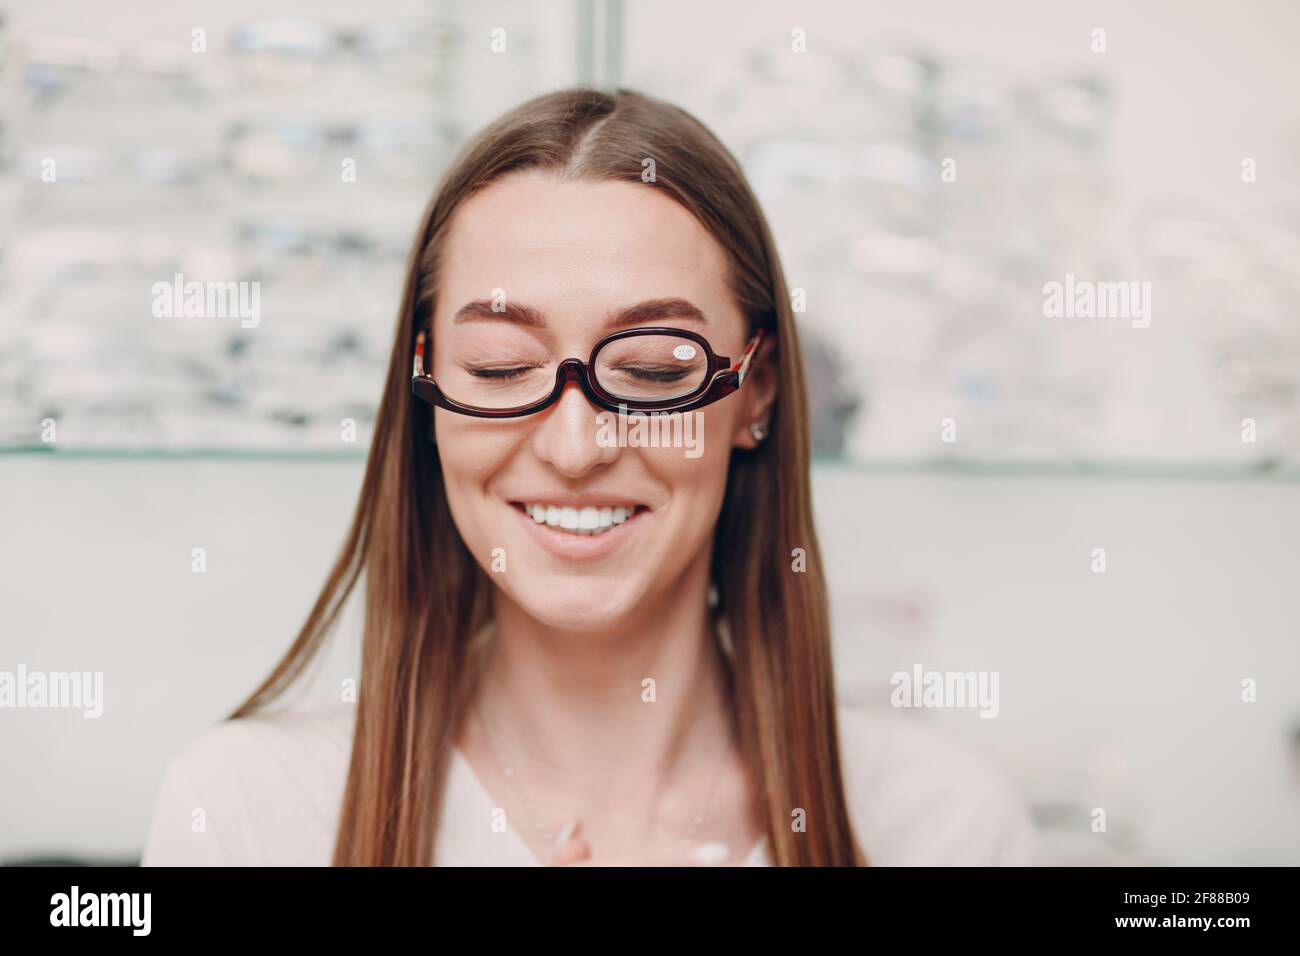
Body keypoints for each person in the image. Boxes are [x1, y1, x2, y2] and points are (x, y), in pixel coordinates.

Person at [141, 87, 1036, 867]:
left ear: (754, 393)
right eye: (499, 367)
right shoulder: (246, 815)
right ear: (428, 392)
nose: (575, 448)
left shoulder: (945, 827)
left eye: (652, 370)